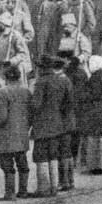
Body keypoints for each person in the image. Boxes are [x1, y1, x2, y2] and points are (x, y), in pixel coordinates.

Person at [28, 54, 73, 196]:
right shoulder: (60, 80)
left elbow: (36, 104)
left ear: (40, 68)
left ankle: (43, 188)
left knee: (41, 156)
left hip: (42, 125)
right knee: (53, 155)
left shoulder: (41, 82)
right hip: (58, 124)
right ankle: (54, 185)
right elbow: (68, 102)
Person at [0, 64, 31, 200]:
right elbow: (31, 113)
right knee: (22, 163)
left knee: (7, 165)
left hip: (6, 135)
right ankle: (23, 191)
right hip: (22, 133)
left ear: (6, 78)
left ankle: (10, 193)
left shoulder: (3, 93)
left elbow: (2, 116)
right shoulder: (26, 91)